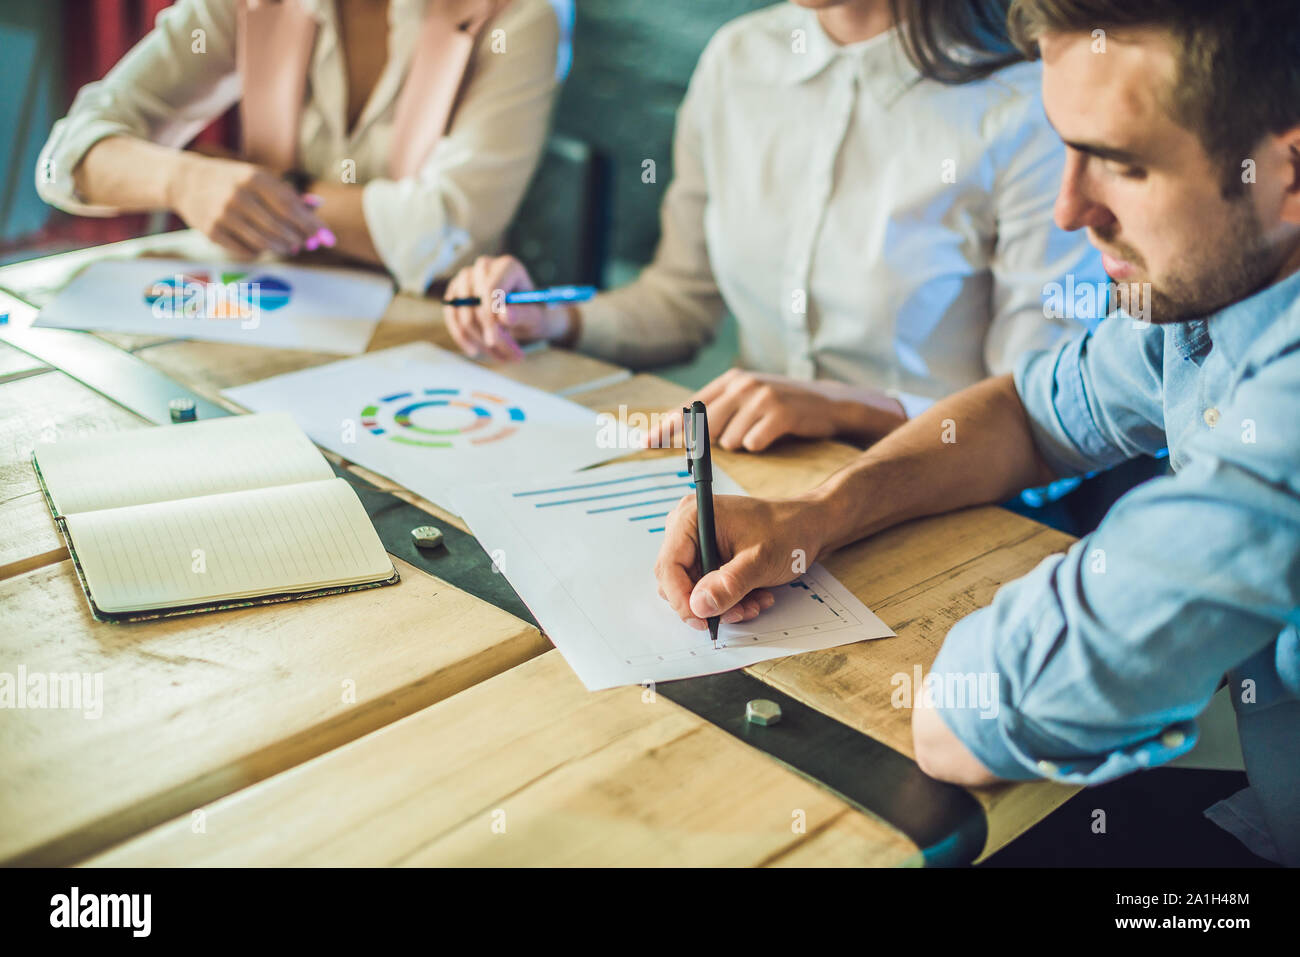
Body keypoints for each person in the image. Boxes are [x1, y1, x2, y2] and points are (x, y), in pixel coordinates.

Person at [653, 0, 1300, 865]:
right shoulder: (1212, 296)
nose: (1071, 209)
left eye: (1119, 165)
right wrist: (814, 514)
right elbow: (1028, 414)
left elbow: (967, 711)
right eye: (1067, 147)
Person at [442, 0, 1103, 452]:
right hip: (751, 483)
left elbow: (1045, 421)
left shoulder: (1029, 109)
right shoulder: (738, 60)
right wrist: (552, 318)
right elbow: (679, 303)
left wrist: (842, 408)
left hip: (955, 513)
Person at [35, 0, 565, 294]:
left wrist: (270, 190)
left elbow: (442, 230)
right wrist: (186, 179)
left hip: (434, 330)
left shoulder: (521, 15)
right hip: (270, 307)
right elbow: (68, 156)